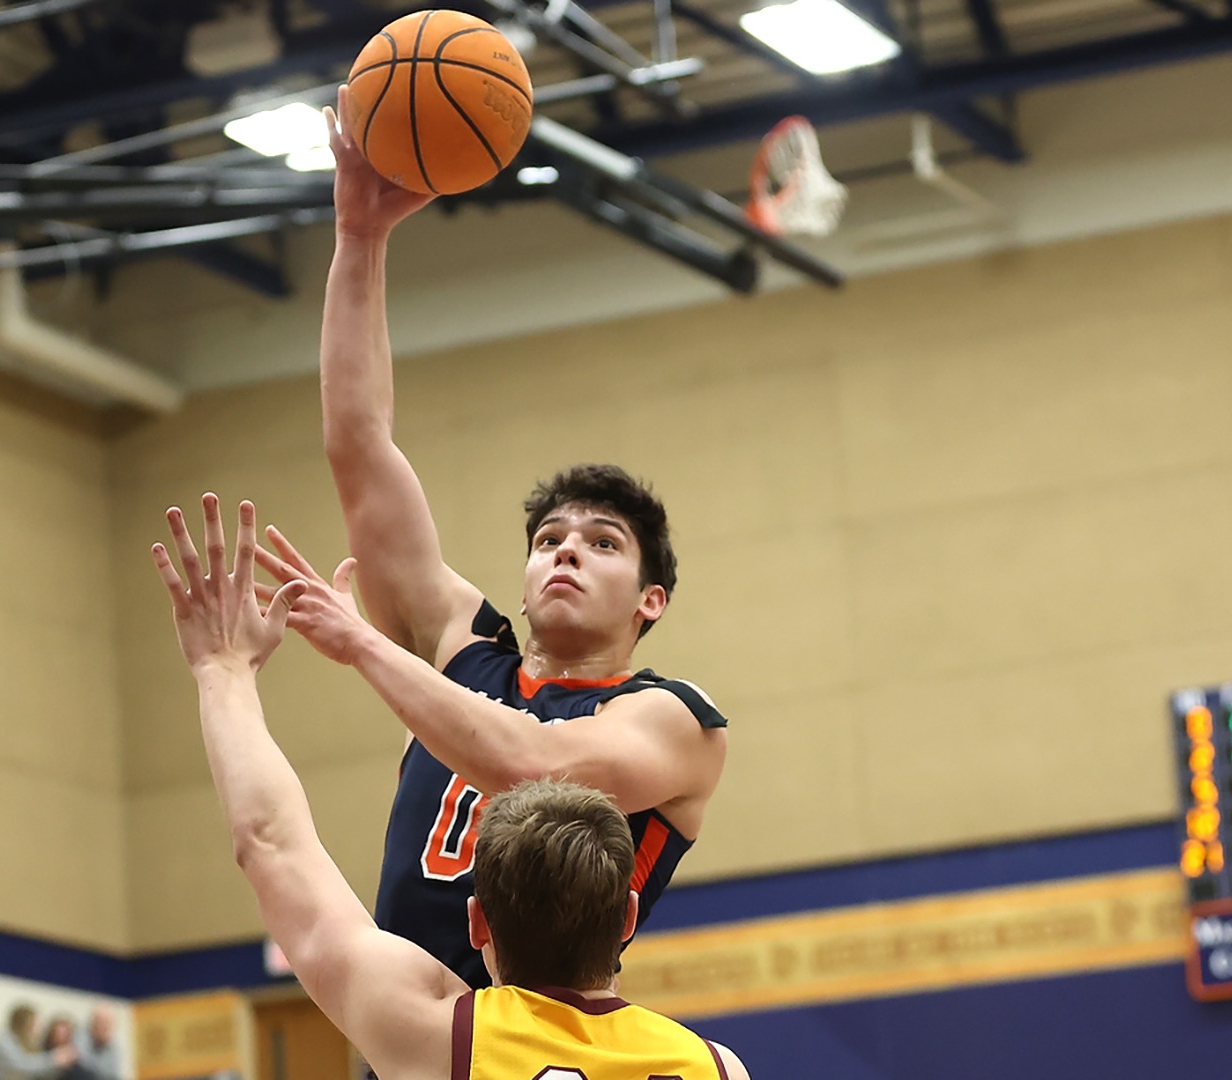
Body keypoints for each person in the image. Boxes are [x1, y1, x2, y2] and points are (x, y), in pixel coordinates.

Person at [248, 88, 729, 990]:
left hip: (537, 1038)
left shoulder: (675, 718)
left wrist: (360, 644)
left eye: (603, 543)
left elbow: (528, 762)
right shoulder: (459, 649)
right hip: (409, 1030)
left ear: (651, 599)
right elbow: (358, 444)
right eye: (549, 538)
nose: (567, 551)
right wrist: (359, 241)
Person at [150, 495, 749, 1080]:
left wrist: (222, 671)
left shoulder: (433, 1036)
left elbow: (270, 843)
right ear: (626, 916)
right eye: (550, 540)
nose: (569, 552)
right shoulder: (716, 1067)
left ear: (477, 923)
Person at [0, 1004, 75, 1080]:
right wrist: (54, 1059)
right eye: (33, 1024)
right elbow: (21, 1065)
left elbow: (37, 1070)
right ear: (23, 1024)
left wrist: (58, 1064)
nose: (35, 1028)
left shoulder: (27, 1041)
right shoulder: (3, 1039)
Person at [73, 1006, 121, 1080]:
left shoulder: (112, 1045)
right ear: (93, 1024)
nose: (107, 1028)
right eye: (103, 1023)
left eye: (109, 1024)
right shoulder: (80, 1037)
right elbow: (84, 1067)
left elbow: (114, 1074)